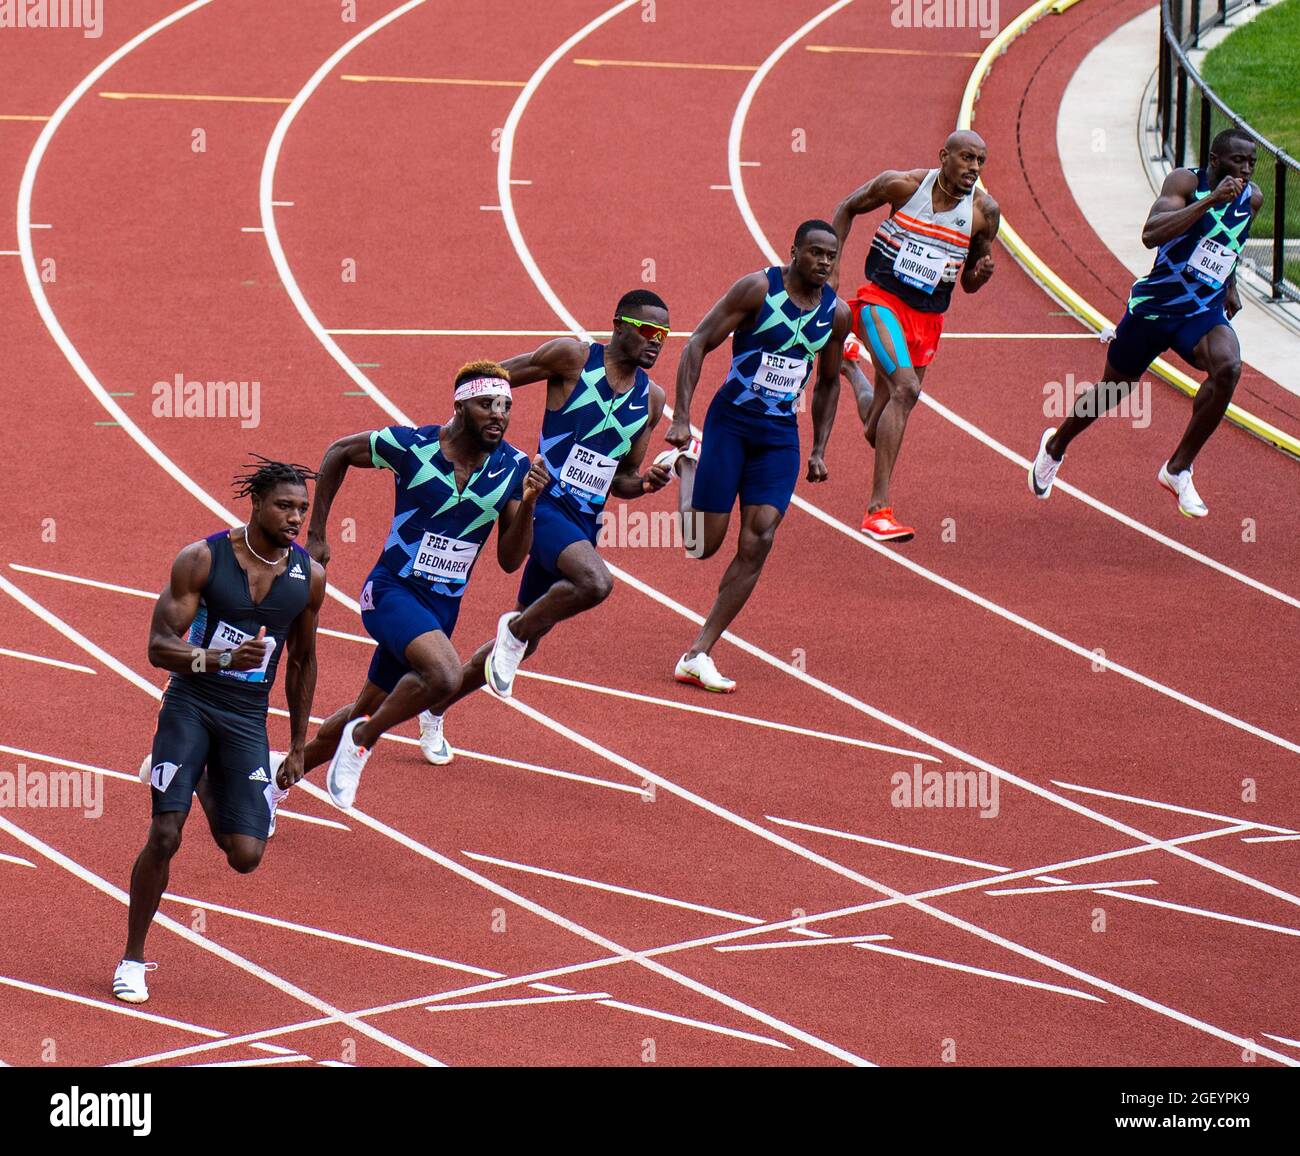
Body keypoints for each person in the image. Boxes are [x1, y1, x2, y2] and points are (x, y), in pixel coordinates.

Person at [415, 291, 672, 764]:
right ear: (619, 326)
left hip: (585, 521)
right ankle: (511, 634)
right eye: (648, 331)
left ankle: (436, 708)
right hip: (543, 502)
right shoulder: (572, 357)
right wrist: (480, 440)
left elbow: (623, 480)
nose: (657, 342)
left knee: (528, 640)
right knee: (595, 583)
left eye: (665, 335)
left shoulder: (651, 400)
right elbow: (490, 383)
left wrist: (648, 482)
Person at [116, 459, 325, 1003]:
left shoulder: (308, 578)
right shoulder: (202, 558)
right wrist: (222, 656)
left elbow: (302, 661)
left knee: (246, 856)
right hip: (191, 702)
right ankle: (132, 958)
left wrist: (299, 744)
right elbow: (159, 646)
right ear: (255, 504)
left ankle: (202, 779)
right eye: (284, 505)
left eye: (302, 509)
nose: (295, 517)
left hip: (247, 718)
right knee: (166, 834)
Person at [293, 361, 547, 807]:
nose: (499, 414)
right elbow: (338, 452)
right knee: (446, 676)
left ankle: (278, 780)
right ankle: (363, 740)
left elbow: (510, 560)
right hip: (390, 591)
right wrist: (317, 533)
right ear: (461, 406)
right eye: (487, 404)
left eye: (506, 406)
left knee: (366, 704)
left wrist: (527, 502)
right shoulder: (412, 445)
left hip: (440, 611)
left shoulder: (513, 468)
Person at [1029, 128, 1261, 517]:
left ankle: (1178, 469)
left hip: (1200, 311)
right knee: (1112, 391)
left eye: (1253, 162)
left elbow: (1229, 243)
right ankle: (1055, 446)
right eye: (1239, 161)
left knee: (1228, 367)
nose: (1247, 169)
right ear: (1215, 160)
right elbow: (1150, 234)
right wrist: (1208, 203)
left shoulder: (1251, 199)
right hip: (1153, 309)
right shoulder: (1186, 183)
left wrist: (1230, 285)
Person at [660, 219, 849, 693]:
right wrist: (682, 417)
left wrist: (821, 447)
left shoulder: (836, 314)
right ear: (794, 252)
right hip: (731, 424)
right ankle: (689, 468)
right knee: (702, 545)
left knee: (760, 537)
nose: (824, 262)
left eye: (831, 255)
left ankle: (699, 650)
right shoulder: (756, 290)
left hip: (779, 437)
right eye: (816, 253)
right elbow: (698, 342)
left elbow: (827, 382)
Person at [832, 130, 1000, 541]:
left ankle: (850, 366)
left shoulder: (984, 213)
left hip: (927, 321)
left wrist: (978, 276)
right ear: (944, 156)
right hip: (880, 302)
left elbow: (968, 285)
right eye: (966, 158)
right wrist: (832, 272)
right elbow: (847, 208)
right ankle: (878, 510)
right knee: (906, 389)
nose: (974, 168)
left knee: (877, 430)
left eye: (980, 161)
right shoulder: (903, 186)